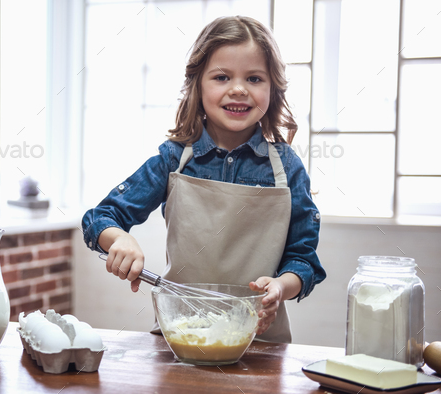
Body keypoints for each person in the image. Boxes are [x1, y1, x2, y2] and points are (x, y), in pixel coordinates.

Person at [81, 16, 326, 343]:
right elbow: (99, 218)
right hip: (181, 338)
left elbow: (304, 259)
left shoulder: (288, 168)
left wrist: (281, 286)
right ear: (198, 85)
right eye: (222, 77)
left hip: (260, 345)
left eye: (254, 78)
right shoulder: (173, 160)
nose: (238, 89)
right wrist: (119, 240)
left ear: (273, 89)